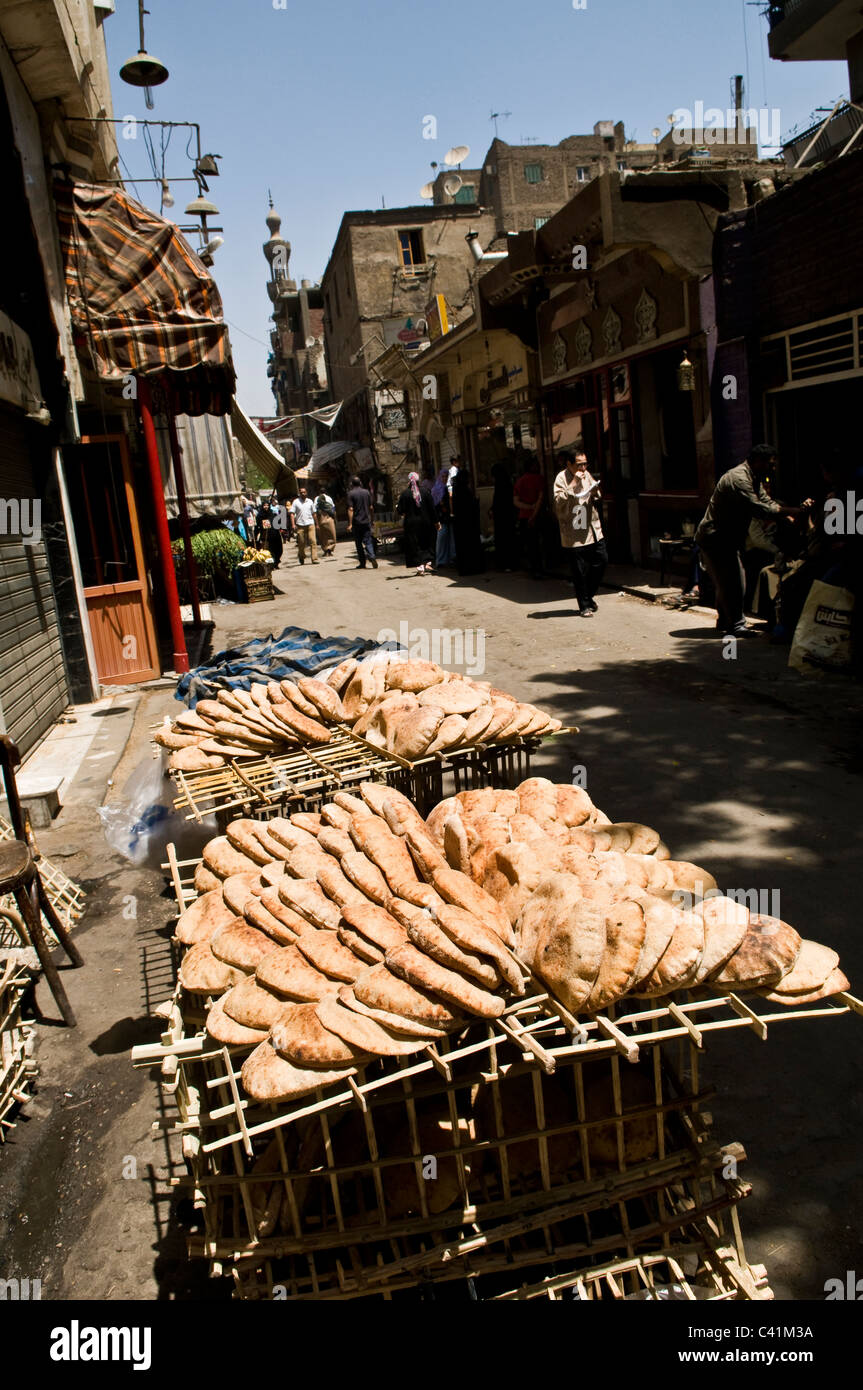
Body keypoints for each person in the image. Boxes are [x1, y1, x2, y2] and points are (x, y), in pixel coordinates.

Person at [695, 444, 809, 636]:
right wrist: (795, 511)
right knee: (734, 581)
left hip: (727, 538)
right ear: (758, 461)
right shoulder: (739, 478)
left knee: (727, 580)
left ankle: (725, 620)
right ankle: (736, 625)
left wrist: (786, 514)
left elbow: (767, 502)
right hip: (716, 537)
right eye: (770, 465)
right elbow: (759, 508)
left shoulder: (754, 478)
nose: (773, 469)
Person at [553, 449, 607, 617]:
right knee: (579, 569)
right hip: (573, 528)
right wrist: (574, 483)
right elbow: (558, 500)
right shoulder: (561, 478)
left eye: (585, 464)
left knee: (601, 559)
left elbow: (597, 494)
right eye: (579, 464)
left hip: (591, 526)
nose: (583, 468)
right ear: (569, 464)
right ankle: (584, 604)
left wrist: (594, 491)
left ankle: (588, 596)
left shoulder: (587, 474)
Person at [397, 471, 438, 574]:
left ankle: (419, 565)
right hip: (426, 522)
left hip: (411, 524)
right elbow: (432, 509)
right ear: (418, 480)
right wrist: (436, 521)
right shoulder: (426, 492)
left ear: (409, 481)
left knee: (414, 544)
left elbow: (400, 510)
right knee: (426, 542)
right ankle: (427, 563)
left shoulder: (405, 494)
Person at [513, 458, 545, 578]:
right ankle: (539, 569)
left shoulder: (520, 481)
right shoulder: (539, 479)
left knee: (530, 544)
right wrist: (533, 512)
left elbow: (515, 502)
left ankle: (532, 568)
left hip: (524, 516)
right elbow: (540, 499)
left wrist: (527, 507)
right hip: (536, 516)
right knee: (538, 544)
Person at [451, 467, 484, 575]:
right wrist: (476, 502)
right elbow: (469, 507)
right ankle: (473, 568)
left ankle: (465, 568)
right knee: (470, 546)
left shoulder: (456, 490)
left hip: (459, 524)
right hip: (468, 524)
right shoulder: (464, 491)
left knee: (462, 547)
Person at [491, 462, 518, 572]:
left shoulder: (500, 485)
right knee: (509, 539)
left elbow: (498, 501)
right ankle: (510, 563)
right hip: (508, 517)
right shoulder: (507, 483)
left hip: (502, 518)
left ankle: (504, 564)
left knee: (503, 540)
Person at [347, 474, 378, 569]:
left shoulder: (350, 494)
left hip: (357, 522)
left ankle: (362, 563)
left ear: (352, 484)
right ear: (360, 483)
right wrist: (372, 520)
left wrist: (350, 524)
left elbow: (351, 509)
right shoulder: (367, 492)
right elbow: (371, 507)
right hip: (366, 521)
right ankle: (372, 556)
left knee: (358, 543)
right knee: (368, 540)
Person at [432, 465, 456, 567]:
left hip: (448, 517)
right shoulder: (435, 489)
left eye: (446, 476)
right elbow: (434, 505)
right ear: (439, 477)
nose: (445, 478)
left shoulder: (446, 489)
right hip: (440, 518)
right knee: (441, 539)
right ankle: (441, 560)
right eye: (443, 476)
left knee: (450, 539)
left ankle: (450, 559)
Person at [290, 486, 319, 565]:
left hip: (310, 524)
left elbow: (314, 513)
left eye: (304, 492)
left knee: (313, 541)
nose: (303, 494)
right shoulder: (296, 502)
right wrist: (293, 524)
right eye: (301, 492)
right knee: (301, 543)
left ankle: (314, 558)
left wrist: (317, 524)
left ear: (306, 493)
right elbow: (292, 514)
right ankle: (301, 556)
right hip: (300, 525)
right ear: (299, 494)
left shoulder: (310, 501)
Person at [314, 489, 337, 556]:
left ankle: (325, 550)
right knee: (331, 534)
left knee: (323, 534)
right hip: (329, 517)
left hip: (321, 516)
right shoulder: (329, 498)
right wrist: (334, 518)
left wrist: (316, 522)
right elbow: (333, 508)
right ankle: (330, 549)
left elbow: (315, 509)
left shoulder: (316, 498)